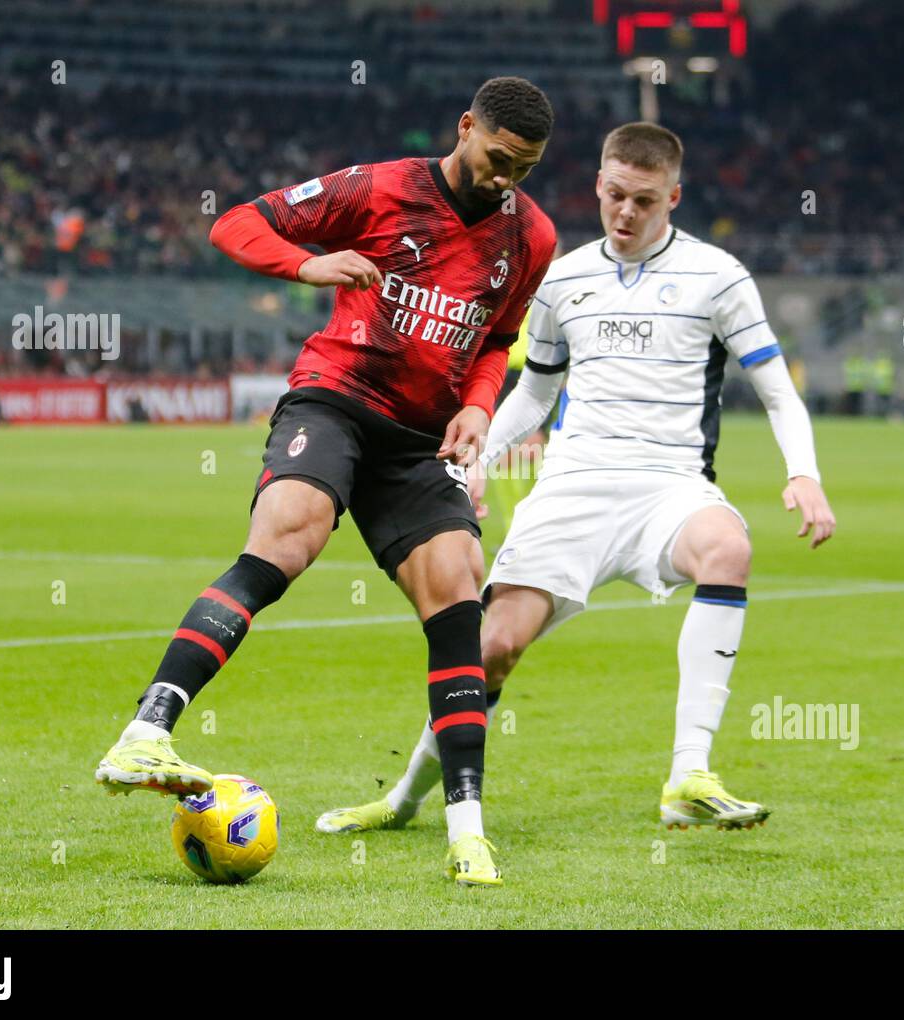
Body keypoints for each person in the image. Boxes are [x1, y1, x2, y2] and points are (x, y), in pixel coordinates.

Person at [94, 77, 558, 887]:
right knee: (290, 534)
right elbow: (236, 225)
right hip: (338, 399)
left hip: (419, 441)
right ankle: (147, 730)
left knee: (458, 588)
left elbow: (499, 339)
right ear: (465, 128)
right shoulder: (378, 188)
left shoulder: (534, 238)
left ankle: (467, 829)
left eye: (522, 168)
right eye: (495, 158)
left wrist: (481, 408)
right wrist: (307, 263)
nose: (504, 179)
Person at [317, 122, 836, 845]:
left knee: (728, 549)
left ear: (674, 197)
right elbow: (534, 394)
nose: (625, 213)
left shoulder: (719, 277)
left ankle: (690, 776)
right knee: (492, 646)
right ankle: (403, 799)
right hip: (571, 488)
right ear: (597, 184)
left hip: (670, 487)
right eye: (615, 195)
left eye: (644, 201)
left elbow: (777, 390)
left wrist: (803, 476)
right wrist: (477, 457)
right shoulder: (562, 277)